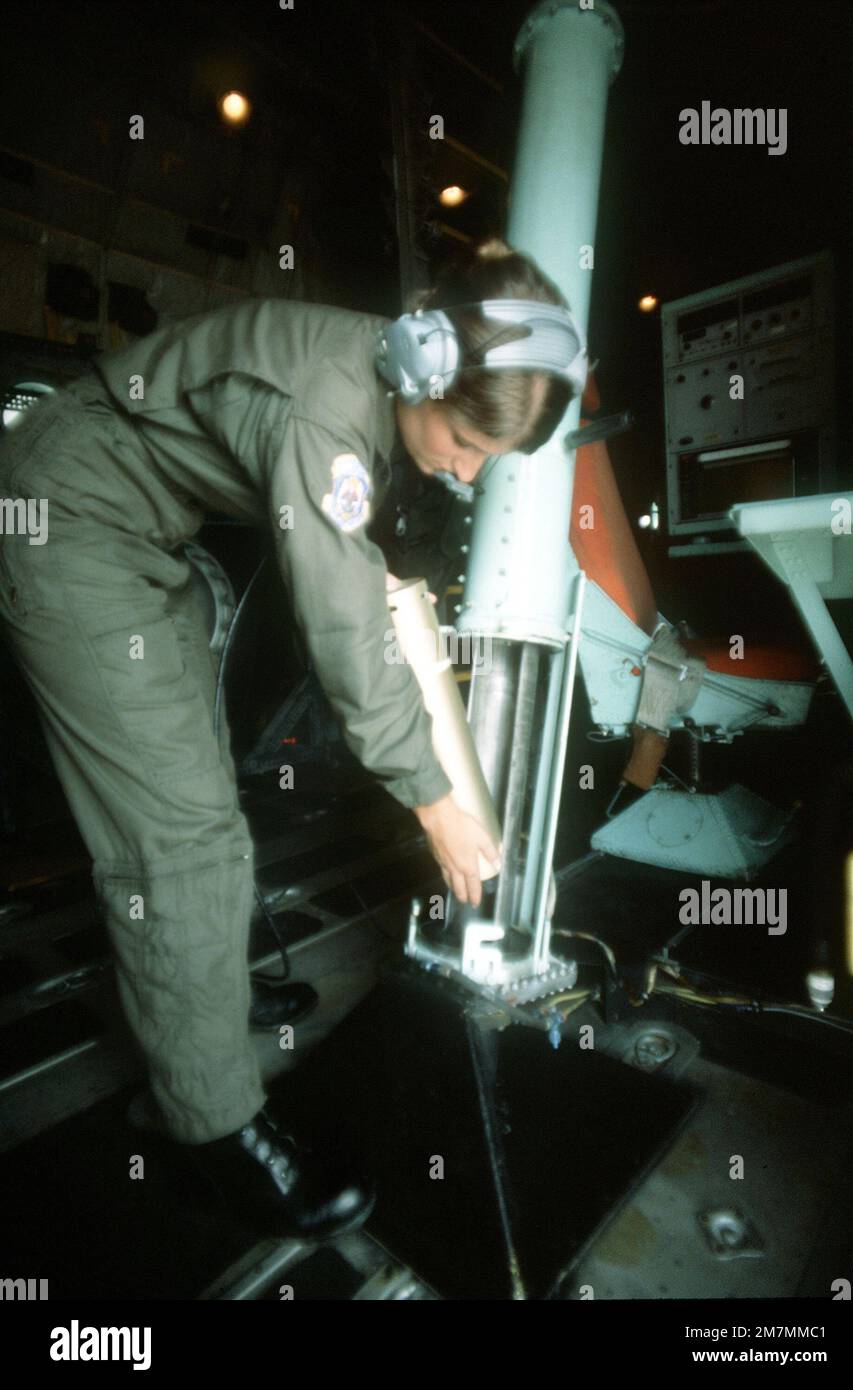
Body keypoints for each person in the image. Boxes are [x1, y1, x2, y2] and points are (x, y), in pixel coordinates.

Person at [0, 237, 578, 1239]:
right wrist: (435, 799)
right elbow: (344, 629)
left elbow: (367, 579)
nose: (468, 470)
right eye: (465, 441)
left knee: (195, 808)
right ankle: (216, 1138)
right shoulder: (327, 414)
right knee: (180, 835)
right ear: (418, 362)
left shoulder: (373, 389)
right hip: (69, 520)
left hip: (143, 538)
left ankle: (188, 1019)